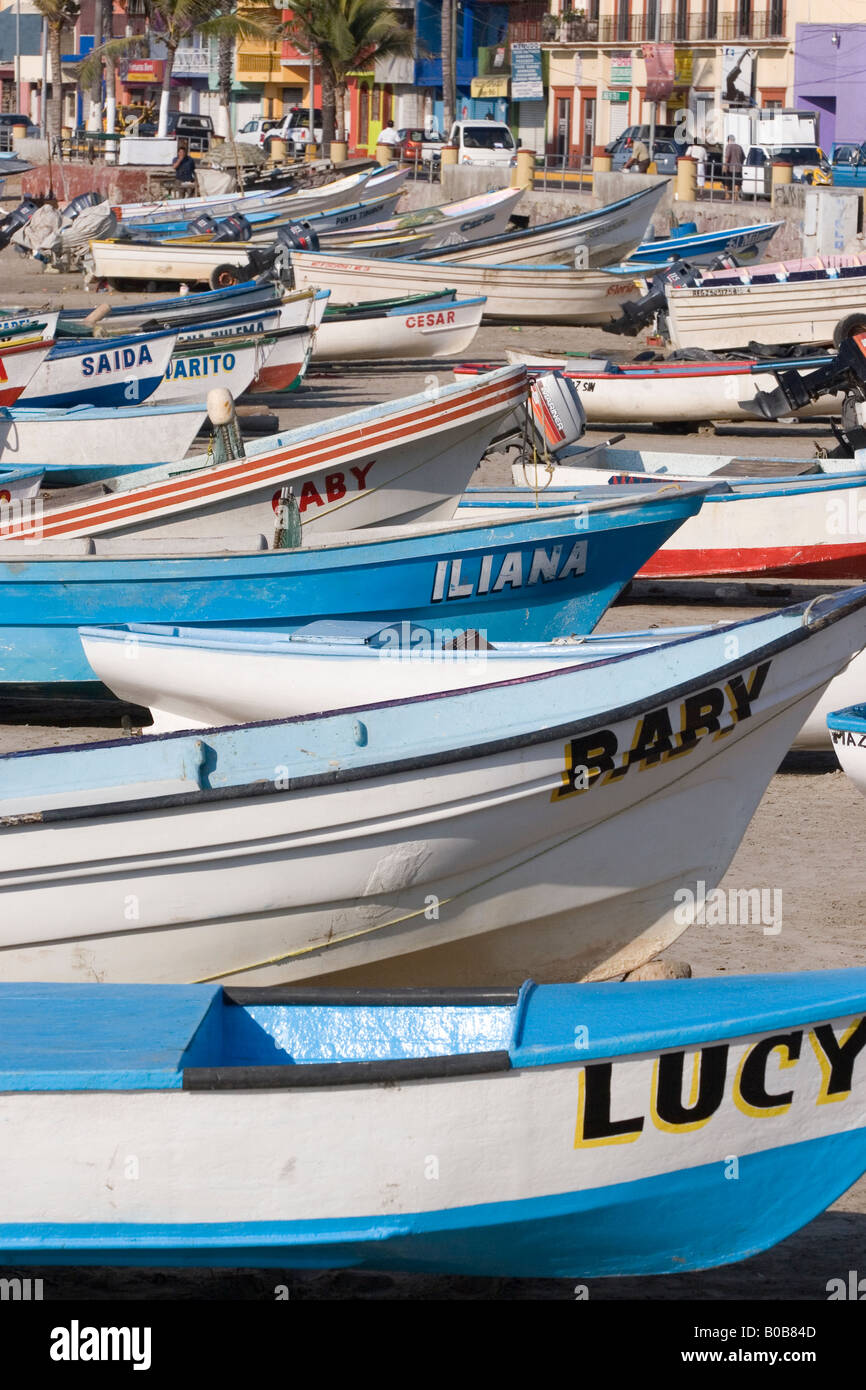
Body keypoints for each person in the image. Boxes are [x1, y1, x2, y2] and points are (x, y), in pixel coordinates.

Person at [723, 134, 745, 200]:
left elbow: (727, 157)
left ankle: (727, 195)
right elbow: (743, 157)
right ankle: (736, 196)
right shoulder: (739, 147)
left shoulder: (728, 146)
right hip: (738, 168)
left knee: (726, 182)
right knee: (737, 182)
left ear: (728, 140)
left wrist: (725, 166)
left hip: (730, 168)